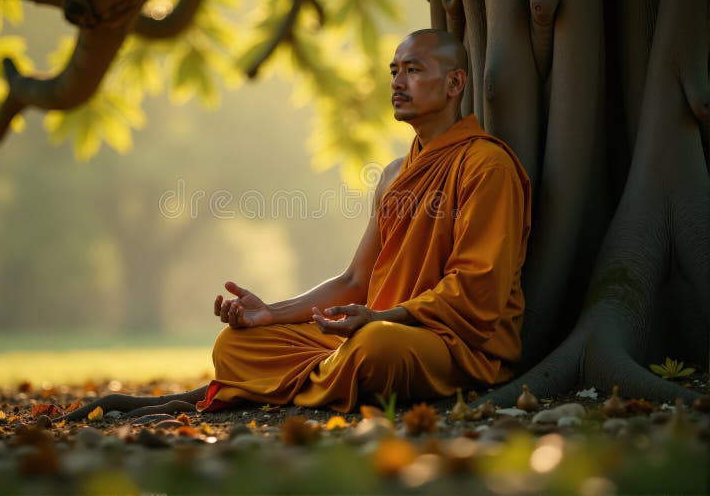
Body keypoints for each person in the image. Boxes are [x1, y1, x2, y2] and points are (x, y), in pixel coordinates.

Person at [63, 29, 531, 421]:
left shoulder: (486, 166)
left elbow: (478, 289)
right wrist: (272, 314)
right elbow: (356, 280)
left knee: (375, 349)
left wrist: (382, 318)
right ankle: (320, 376)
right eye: (393, 71)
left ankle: (289, 383)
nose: (397, 82)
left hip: (452, 345)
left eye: (413, 70)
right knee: (236, 345)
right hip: (376, 325)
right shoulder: (394, 173)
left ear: (454, 84)